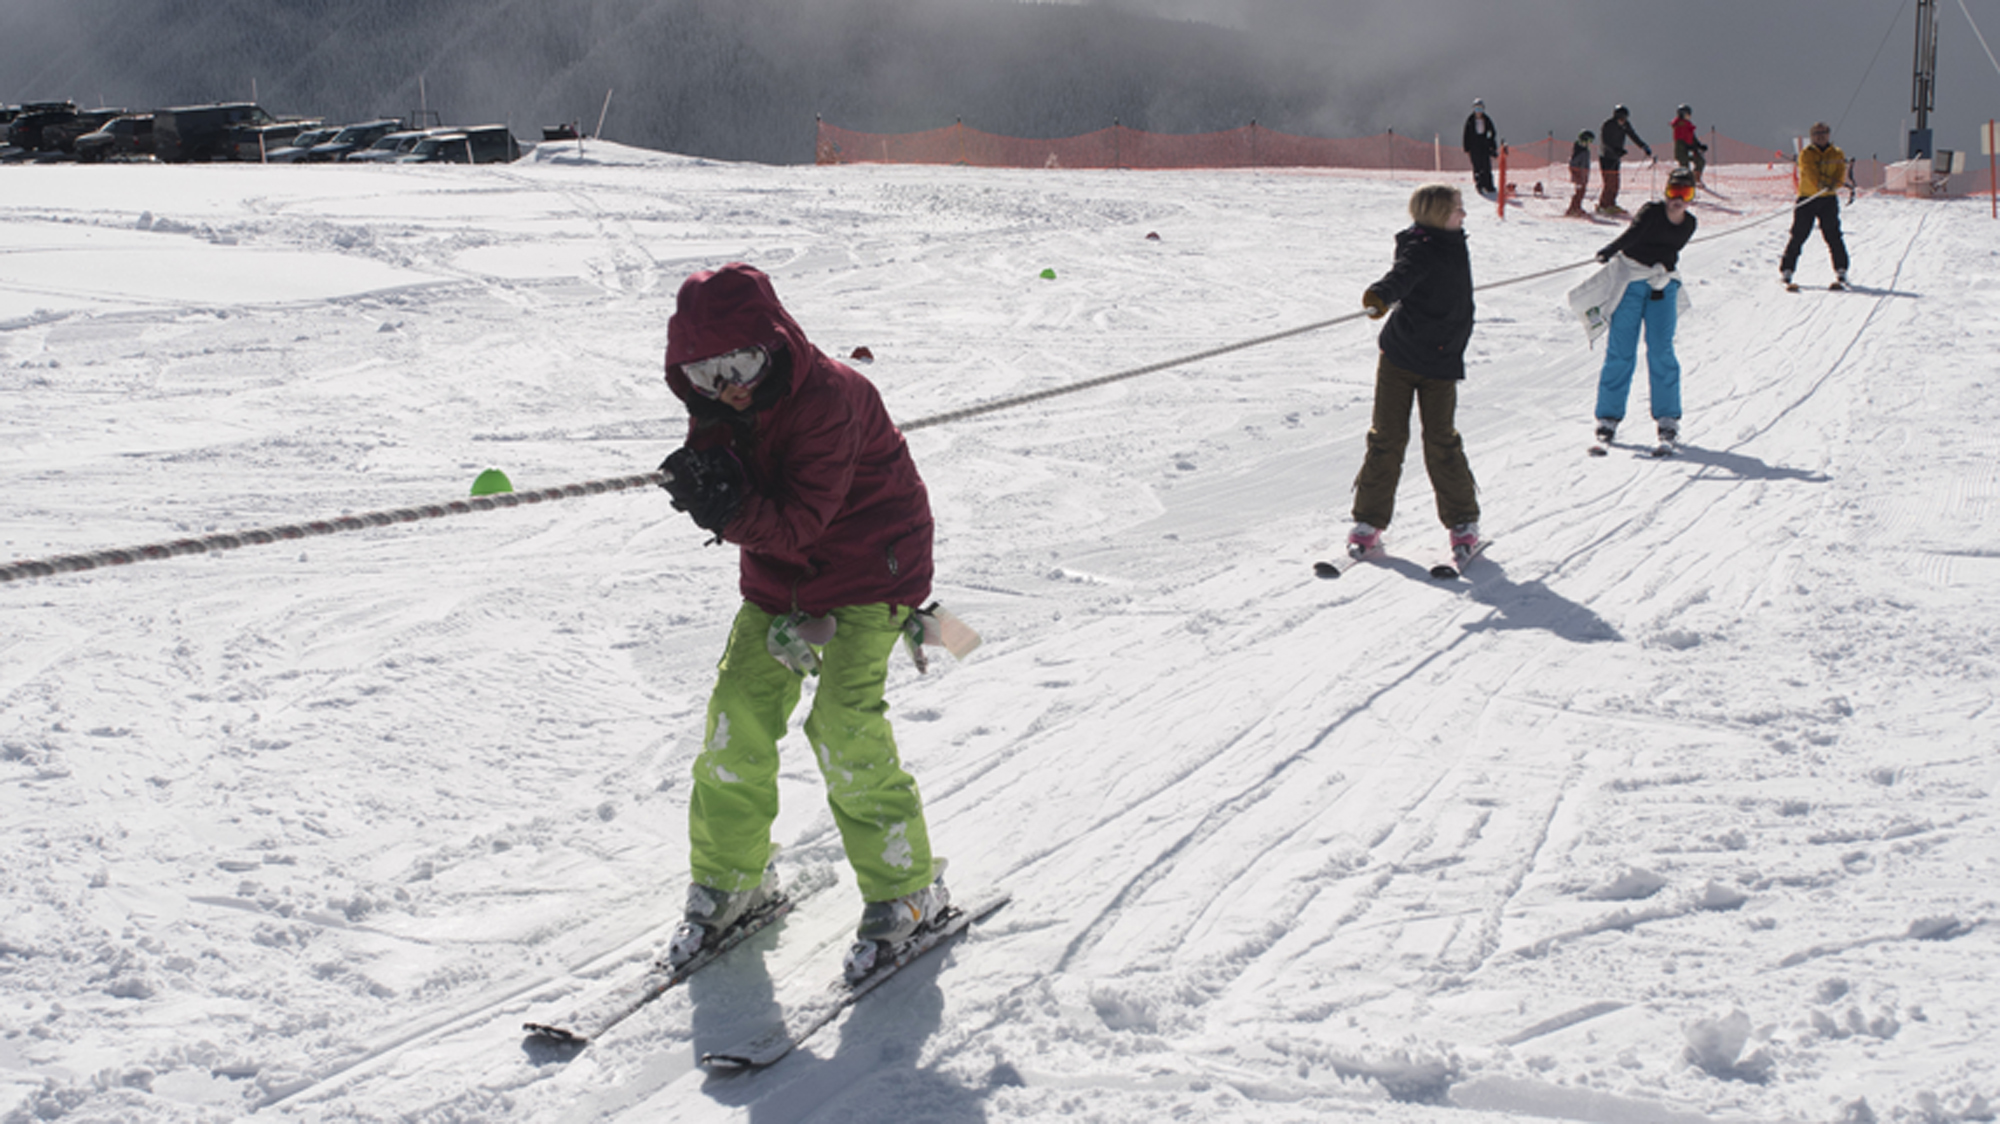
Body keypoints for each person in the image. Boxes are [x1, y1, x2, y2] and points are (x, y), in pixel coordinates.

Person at [654, 262, 947, 982]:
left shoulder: (833, 399)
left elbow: (798, 522)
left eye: (741, 361)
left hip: (870, 570)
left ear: (776, 342)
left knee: (843, 722)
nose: (728, 385)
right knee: (736, 714)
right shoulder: (720, 407)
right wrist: (701, 479)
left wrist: (724, 507)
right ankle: (732, 880)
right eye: (705, 370)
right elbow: (761, 519)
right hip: (783, 585)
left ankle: (908, 888)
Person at [1349, 184, 1481, 562]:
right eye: (1458, 208)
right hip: (1401, 359)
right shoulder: (1424, 246)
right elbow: (1403, 274)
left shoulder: (1450, 239)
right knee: (1387, 438)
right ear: (1440, 214)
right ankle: (1368, 521)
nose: (1464, 214)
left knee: (1441, 440)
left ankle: (1462, 521)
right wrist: (1381, 295)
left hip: (1439, 361)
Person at [1588, 167, 1699, 452]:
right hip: (1631, 282)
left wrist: (1660, 270)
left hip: (1662, 287)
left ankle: (1667, 419)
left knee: (1662, 350)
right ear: (1666, 192)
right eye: (1674, 192)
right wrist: (1609, 251)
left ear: (1691, 196)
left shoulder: (1689, 224)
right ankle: (1608, 417)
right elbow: (1633, 235)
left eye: (1684, 193)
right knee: (1621, 349)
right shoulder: (1651, 212)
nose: (1678, 199)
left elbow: (1669, 252)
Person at [1780, 122, 1850, 290]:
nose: (1820, 136)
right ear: (1812, 136)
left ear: (1829, 134)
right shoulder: (1806, 154)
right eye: (1817, 133)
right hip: (1808, 199)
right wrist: (1821, 184)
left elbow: (1840, 171)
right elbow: (1809, 172)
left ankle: (1841, 268)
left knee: (1833, 234)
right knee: (1799, 234)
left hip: (1828, 200)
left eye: (1824, 133)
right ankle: (1787, 269)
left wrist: (1835, 185)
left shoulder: (1837, 153)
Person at [1597, 104, 1654, 216]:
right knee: (1609, 182)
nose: (1623, 120)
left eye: (1625, 118)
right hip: (1606, 157)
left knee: (1616, 183)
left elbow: (1633, 135)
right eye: (1621, 118)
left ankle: (1611, 203)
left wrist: (1643, 146)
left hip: (1616, 157)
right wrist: (1616, 150)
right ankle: (1603, 205)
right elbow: (1605, 141)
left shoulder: (1625, 125)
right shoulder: (1608, 125)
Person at [1463, 99, 1499, 197]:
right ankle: (1480, 185)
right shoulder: (1470, 120)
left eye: (1480, 109)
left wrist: (1492, 146)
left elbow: (1492, 133)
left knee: (1486, 165)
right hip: (1474, 146)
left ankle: (1489, 185)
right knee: (1477, 166)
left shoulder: (1486, 120)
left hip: (1484, 145)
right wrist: (1467, 148)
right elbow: (1466, 135)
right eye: (1476, 109)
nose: (1478, 111)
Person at [1671, 104, 1708, 185]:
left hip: (1690, 149)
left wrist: (1699, 146)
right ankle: (1686, 183)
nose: (1689, 116)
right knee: (1685, 167)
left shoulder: (1688, 125)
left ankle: (1696, 179)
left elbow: (1692, 138)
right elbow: (1680, 140)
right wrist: (1688, 147)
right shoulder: (1680, 125)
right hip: (1682, 151)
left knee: (1700, 161)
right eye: (1688, 114)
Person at [1566, 130, 1596, 217]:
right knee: (1579, 192)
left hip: (1583, 174)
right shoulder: (1580, 151)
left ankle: (1577, 207)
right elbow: (1573, 163)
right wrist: (1577, 174)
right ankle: (1573, 208)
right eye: (1588, 141)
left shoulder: (1585, 150)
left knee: (1582, 191)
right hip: (1579, 174)